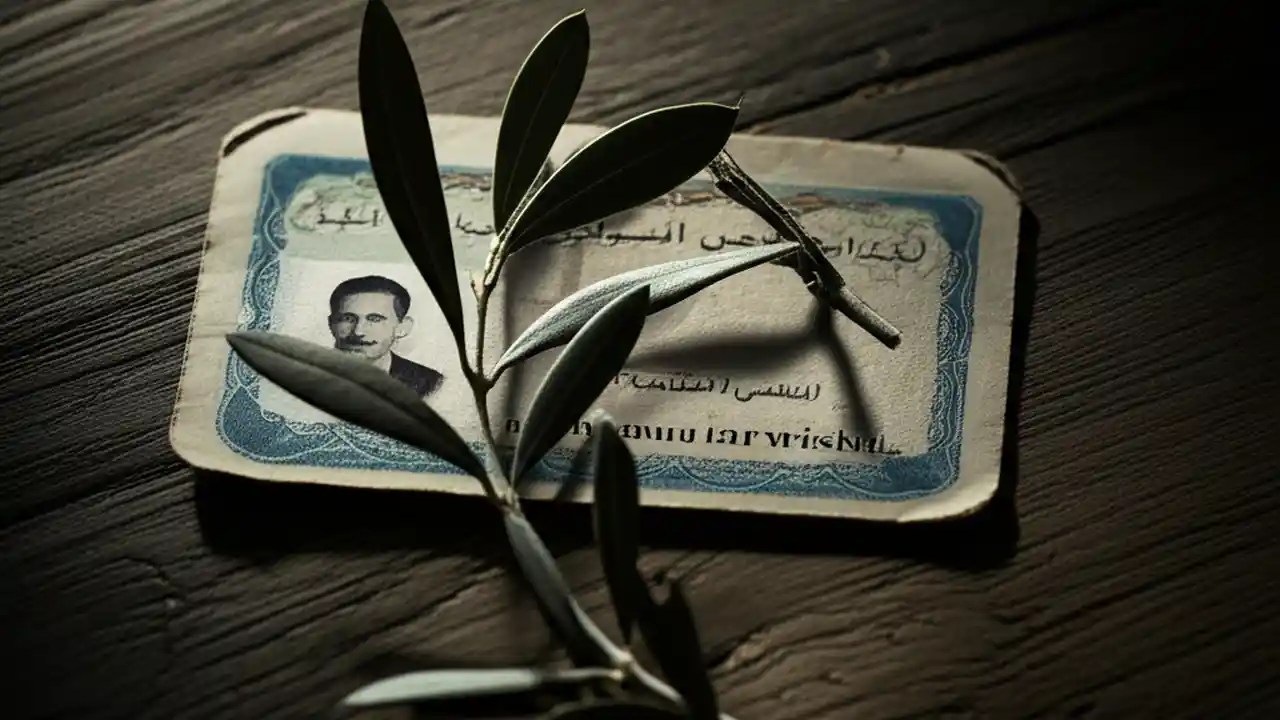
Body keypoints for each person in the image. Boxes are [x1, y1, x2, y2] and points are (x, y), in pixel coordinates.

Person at [327, 275, 442, 398]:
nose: (358, 331)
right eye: (348, 319)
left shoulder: (432, 385)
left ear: (402, 328)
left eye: (375, 319)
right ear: (331, 323)